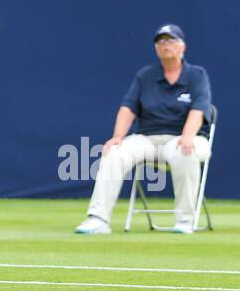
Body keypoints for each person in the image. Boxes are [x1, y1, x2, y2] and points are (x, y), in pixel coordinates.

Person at [75, 24, 214, 234]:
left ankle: (185, 221)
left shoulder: (196, 75)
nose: (165, 45)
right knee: (114, 151)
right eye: (161, 41)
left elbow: (199, 108)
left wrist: (187, 136)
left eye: (171, 40)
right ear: (156, 48)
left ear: (182, 46)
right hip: (148, 139)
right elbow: (128, 108)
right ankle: (98, 219)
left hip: (184, 139)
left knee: (186, 151)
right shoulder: (145, 75)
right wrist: (117, 137)